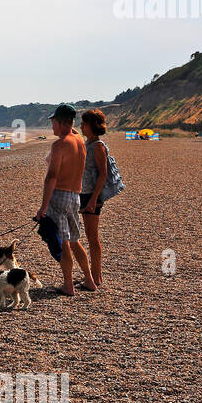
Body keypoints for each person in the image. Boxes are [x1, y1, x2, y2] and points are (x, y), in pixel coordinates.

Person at [34, 104, 96, 295]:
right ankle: (89, 280)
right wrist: (68, 126)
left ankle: (68, 285)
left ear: (60, 122)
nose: (51, 126)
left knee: (63, 242)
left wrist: (43, 207)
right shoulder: (78, 139)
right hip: (75, 196)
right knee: (75, 240)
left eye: (53, 122)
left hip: (60, 196)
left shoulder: (59, 145)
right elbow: (72, 130)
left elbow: (51, 177)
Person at [79, 109, 114, 288]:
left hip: (92, 196)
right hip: (84, 194)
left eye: (84, 124)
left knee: (93, 237)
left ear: (92, 125)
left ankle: (96, 276)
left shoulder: (98, 146)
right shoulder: (87, 143)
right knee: (89, 235)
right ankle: (93, 275)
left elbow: (103, 174)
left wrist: (94, 199)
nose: (81, 127)